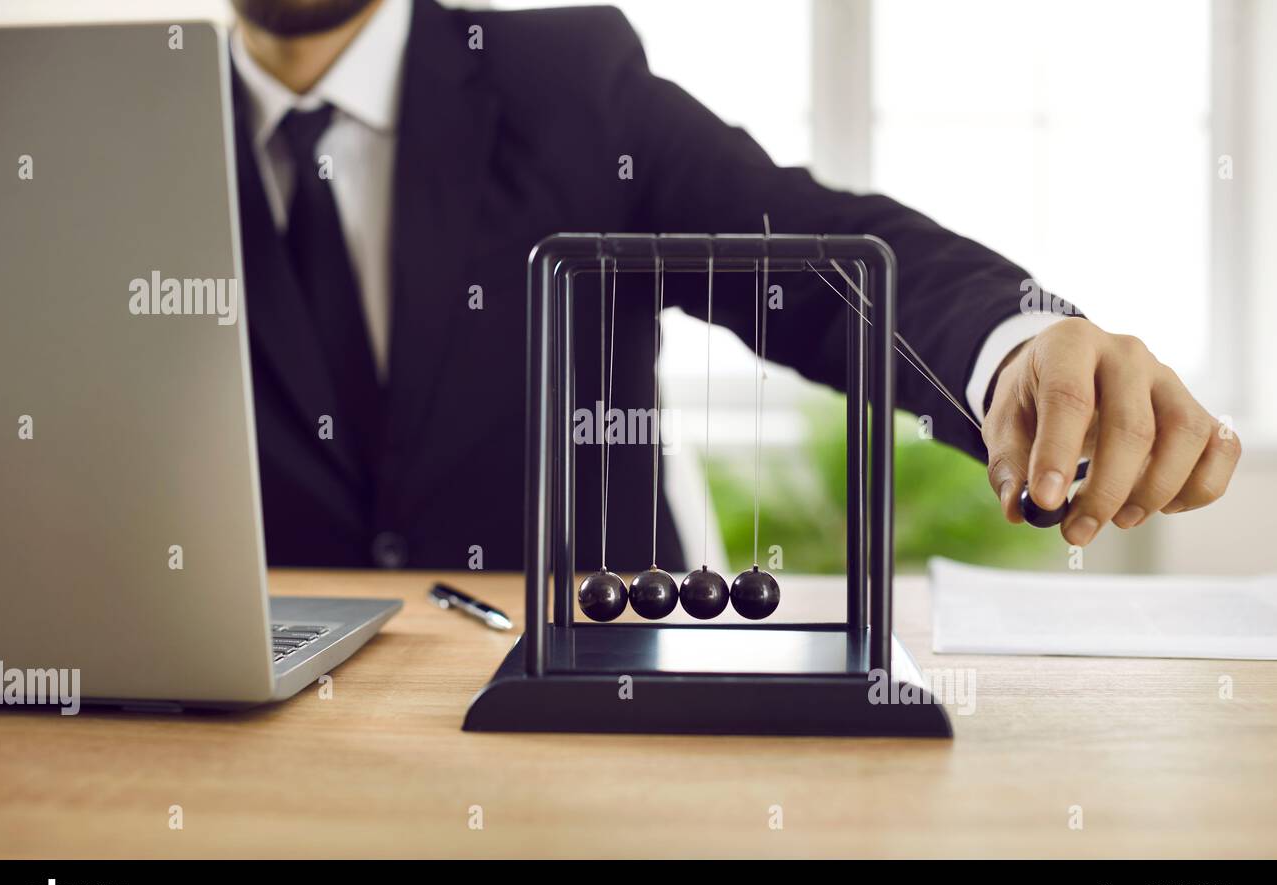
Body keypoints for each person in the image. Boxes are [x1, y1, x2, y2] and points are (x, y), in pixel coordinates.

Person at [229, 0, 1240, 571]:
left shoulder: (567, 86)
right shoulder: (103, 137)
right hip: (231, 752)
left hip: (585, 736)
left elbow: (813, 252)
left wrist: (1012, 347)